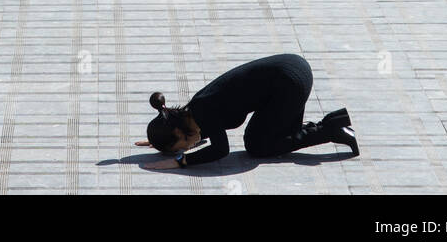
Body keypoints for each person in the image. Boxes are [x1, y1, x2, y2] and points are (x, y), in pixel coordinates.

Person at [133, 53, 358, 167]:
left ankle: (331, 130)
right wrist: (163, 140)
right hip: (292, 70)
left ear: (178, 133)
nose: (184, 150)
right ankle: (340, 119)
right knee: (282, 135)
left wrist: (181, 162)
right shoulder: (193, 111)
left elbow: (220, 150)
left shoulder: (203, 112)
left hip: (289, 83)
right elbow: (206, 134)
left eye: (178, 148)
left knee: (258, 145)